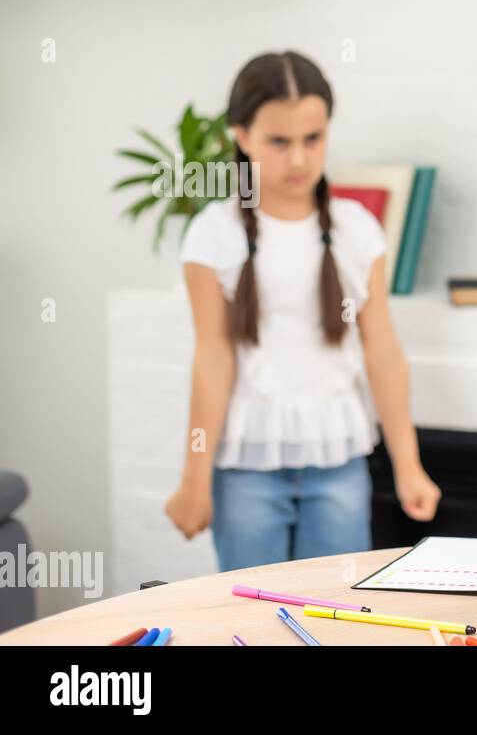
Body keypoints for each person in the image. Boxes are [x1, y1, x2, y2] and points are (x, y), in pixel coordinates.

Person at [164, 51, 440, 571]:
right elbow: (212, 357)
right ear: (241, 137)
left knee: (334, 613)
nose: (298, 159)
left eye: (312, 139)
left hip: (338, 466)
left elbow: (382, 353)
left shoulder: (359, 229)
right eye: (279, 142)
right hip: (245, 468)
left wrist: (408, 464)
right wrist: (194, 480)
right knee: (247, 615)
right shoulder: (211, 234)